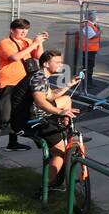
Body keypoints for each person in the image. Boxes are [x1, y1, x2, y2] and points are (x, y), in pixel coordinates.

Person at [15, 50, 80, 189]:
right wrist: (60, 111)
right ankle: (47, 186)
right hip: (32, 121)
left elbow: (50, 97)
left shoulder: (41, 76)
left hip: (36, 116)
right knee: (61, 152)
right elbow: (40, 102)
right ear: (45, 64)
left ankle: (64, 130)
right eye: (57, 62)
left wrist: (69, 84)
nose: (60, 65)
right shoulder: (39, 78)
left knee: (67, 99)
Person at [0, 19, 48, 153]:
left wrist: (39, 44)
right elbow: (15, 57)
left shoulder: (28, 41)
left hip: (25, 84)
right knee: (3, 116)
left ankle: (13, 143)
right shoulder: (5, 43)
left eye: (26, 29)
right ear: (12, 30)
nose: (24, 31)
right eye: (20, 29)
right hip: (8, 84)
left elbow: (40, 57)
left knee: (22, 114)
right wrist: (34, 43)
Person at [80, 10, 101, 93]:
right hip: (87, 50)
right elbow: (92, 36)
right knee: (87, 68)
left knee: (90, 67)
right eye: (95, 15)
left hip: (90, 50)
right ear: (90, 17)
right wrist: (99, 31)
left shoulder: (91, 25)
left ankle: (88, 83)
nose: (96, 17)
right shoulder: (87, 25)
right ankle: (86, 84)